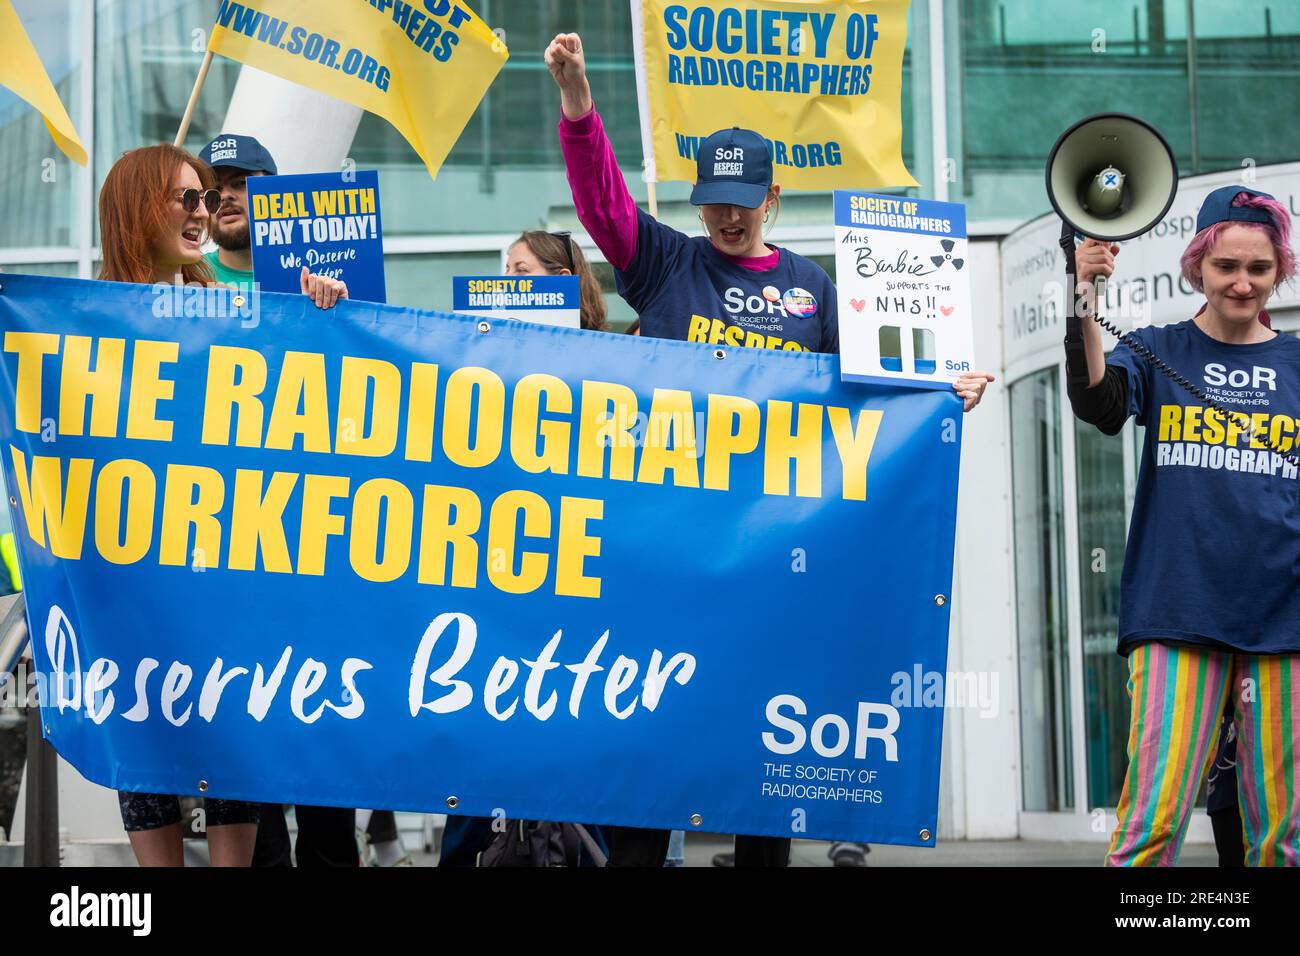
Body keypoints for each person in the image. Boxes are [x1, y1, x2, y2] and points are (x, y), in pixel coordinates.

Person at [546, 31, 994, 866]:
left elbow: (868, 394)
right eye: (711, 197)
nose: (725, 213)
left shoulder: (817, 287)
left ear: (773, 194)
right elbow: (601, 201)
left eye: (741, 197)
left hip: (776, 554)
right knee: (659, 737)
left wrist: (940, 392)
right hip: (674, 544)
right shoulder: (665, 265)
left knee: (765, 747)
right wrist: (578, 99)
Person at [98, 143, 346, 865]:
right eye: (186, 198)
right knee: (146, 756)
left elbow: (313, 405)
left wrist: (317, 313)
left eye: (205, 197)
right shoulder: (83, 321)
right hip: (139, 586)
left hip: (229, 586)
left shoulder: (239, 312)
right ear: (136, 208)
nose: (203, 211)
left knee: (231, 754)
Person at [1069, 185, 1300, 867]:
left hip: (1285, 624)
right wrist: (1085, 300)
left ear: (1278, 271)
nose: (1243, 282)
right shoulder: (1157, 348)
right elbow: (1099, 403)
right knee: (1151, 831)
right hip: (1177, 617)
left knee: (1279, 843)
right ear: (1197, 264)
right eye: (1227, 266)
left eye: (1259, 268)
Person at [198, 133, 276, 290]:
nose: (224, 196)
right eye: (214, 189)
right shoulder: (185, 277)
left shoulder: (311, 276)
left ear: (274, 189)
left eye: (241, 183)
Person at [505, 229, 608, 331]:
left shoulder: (599, 344)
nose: (506, 279)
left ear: (562, 279)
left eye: (521, 270)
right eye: (507, 269)